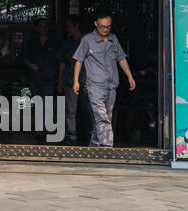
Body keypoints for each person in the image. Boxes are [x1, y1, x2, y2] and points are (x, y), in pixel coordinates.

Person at [71, 13, 136, 147]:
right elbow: (78, 60)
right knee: (101, 116)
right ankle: (107, 146)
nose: (105, 29)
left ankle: (94, 146)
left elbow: (121, 58)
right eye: (102, 27)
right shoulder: (87, 40)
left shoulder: (114, 39)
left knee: (106, 117)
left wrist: (129, 75)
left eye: (108, 26)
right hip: (95, 86)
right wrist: (76, 81)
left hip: (112, 86)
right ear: (96, 24)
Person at [22, 19, 61, 141]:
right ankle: (39, 129)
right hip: (34, 79)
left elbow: (61, 62)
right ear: (37, 29)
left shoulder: (54, 43)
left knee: (47, 104)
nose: (43, 28)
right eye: (41, 26)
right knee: (38, 103)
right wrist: (31, 65)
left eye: (45, 26)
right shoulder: (32, 43)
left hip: (49, 79)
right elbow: (25, 59)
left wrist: (59, 79)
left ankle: (45, 128)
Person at [56, 15, 83, 144]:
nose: (67, 29)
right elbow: (62, 63)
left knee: (89, 109)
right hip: (70, 80)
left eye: (69, 26)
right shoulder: (67, 42)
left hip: (87, 80)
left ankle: (90, 134)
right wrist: (60, 80)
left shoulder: (88, 40)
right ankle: (71, 135)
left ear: (76, 26)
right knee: (71, 109)